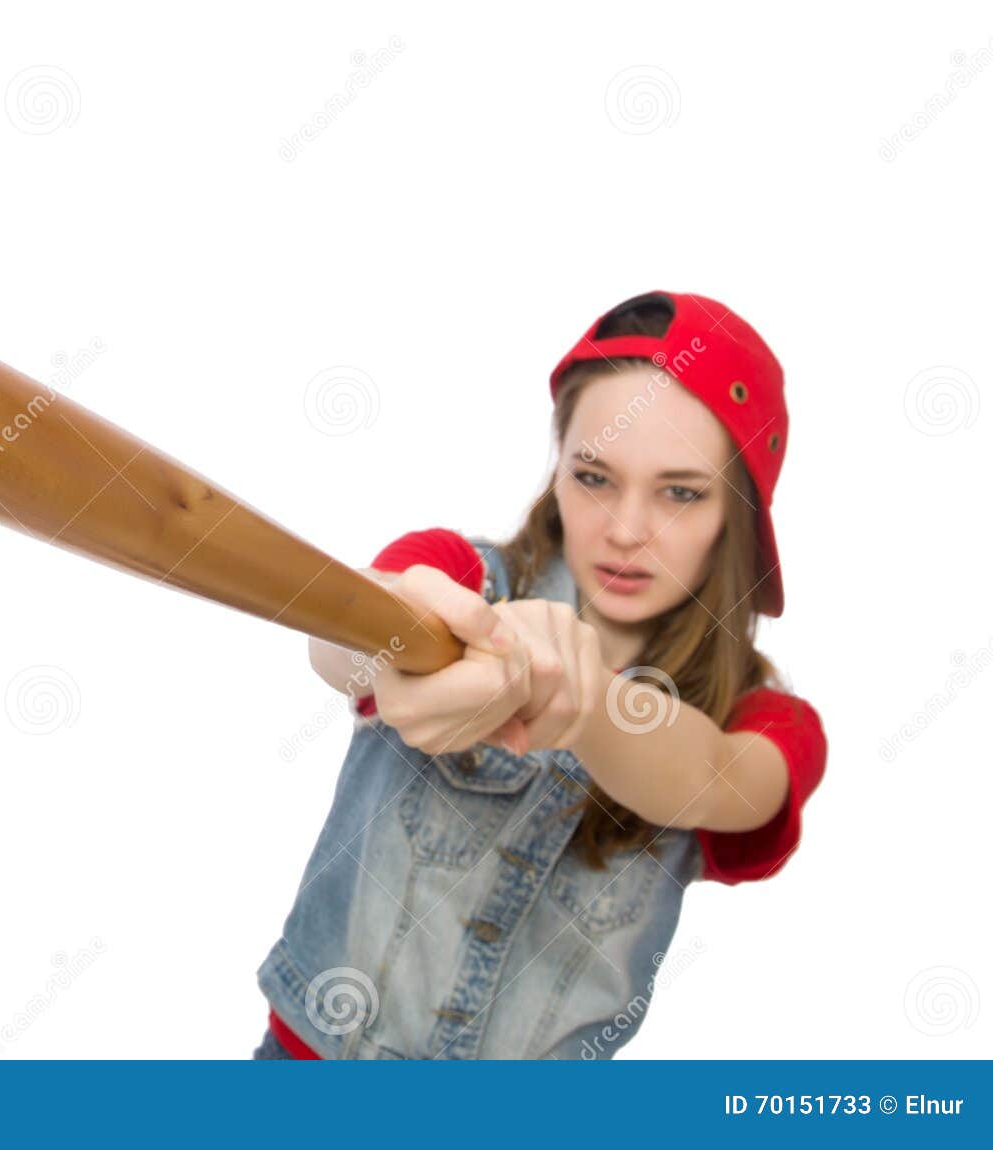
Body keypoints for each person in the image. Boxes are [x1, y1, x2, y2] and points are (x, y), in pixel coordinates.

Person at [253, 291, 827, 1060]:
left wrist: (586, 704)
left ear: (738, 515)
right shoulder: (462, 572)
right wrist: (403, 634)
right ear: (558, 470)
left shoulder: (773, 724)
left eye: (681, 492)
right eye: (594, 477)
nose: (626, 530)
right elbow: (343, 635)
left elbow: (713, 778)